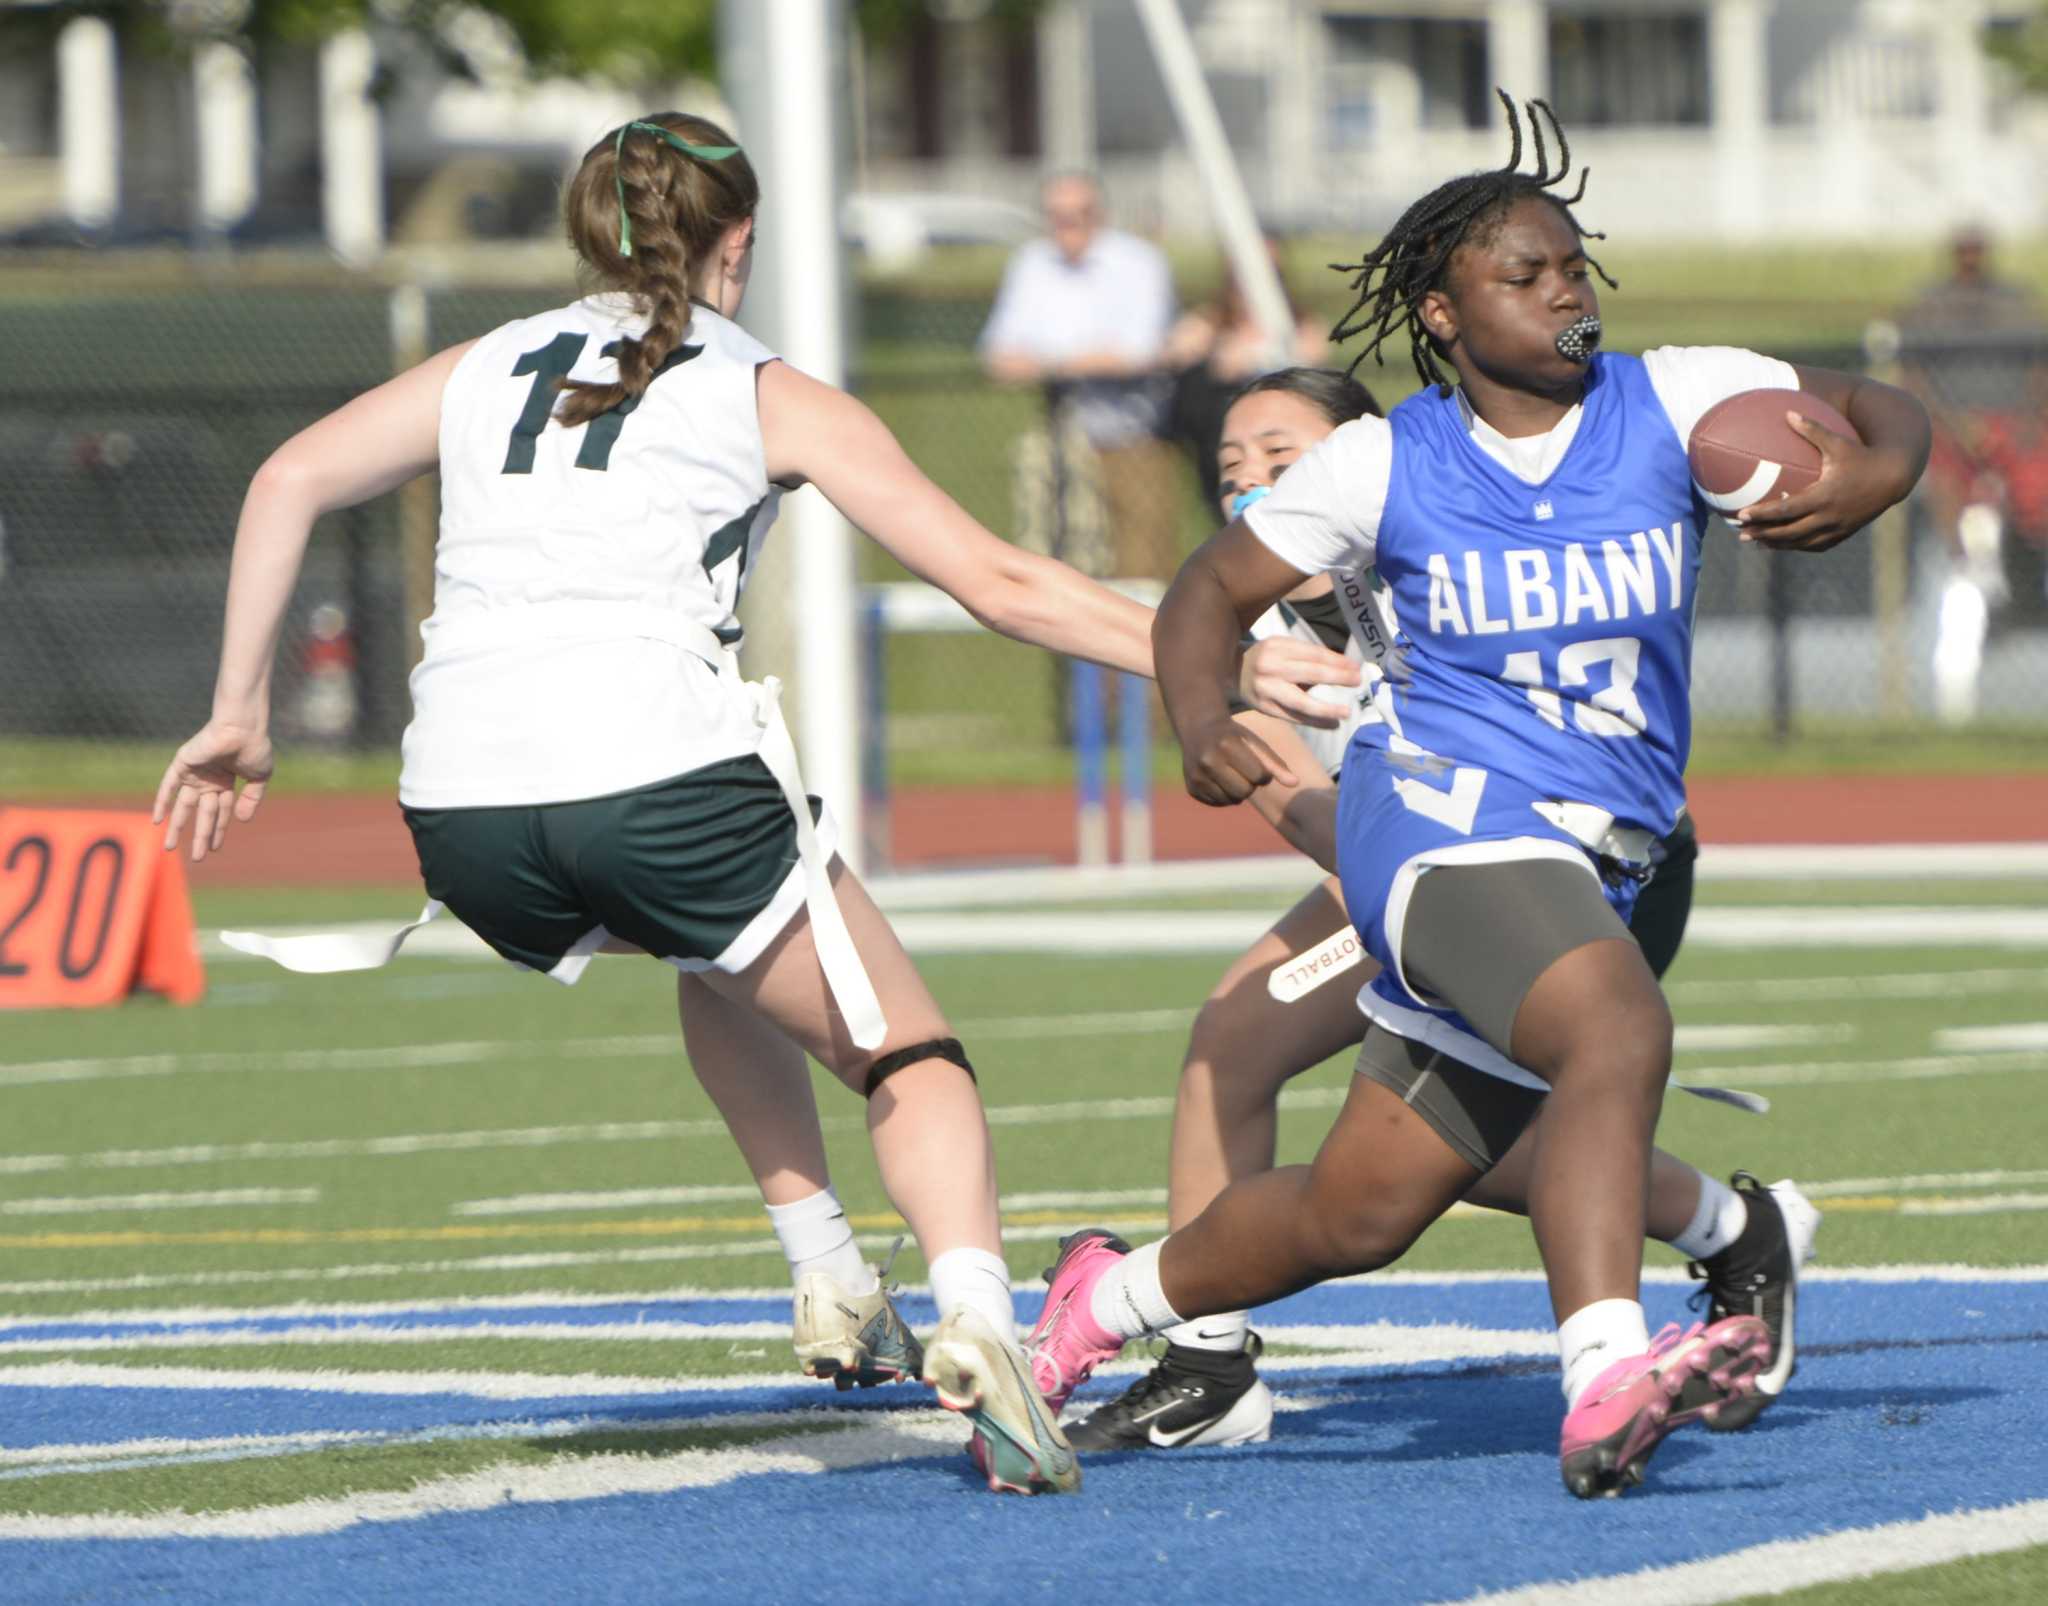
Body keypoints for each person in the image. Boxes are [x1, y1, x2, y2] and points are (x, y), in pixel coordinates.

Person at [149, 113, 1345, 1498]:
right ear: (738, 246)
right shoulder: (766, 388)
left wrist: (240, 708)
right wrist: (1222, 654)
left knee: (715, 956)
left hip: (462, 810)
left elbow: (287, 474)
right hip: (649, 769)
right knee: (916, 1060)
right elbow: (1002, 584)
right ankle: (983, 1327)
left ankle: (830, 1276)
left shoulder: (482, 365)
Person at [1026, 94, 1929, 1498]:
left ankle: (1103, 1299)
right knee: (1617, 1024)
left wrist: (1889, 464)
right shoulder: (1385, 461)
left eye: (1572, 263)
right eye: (1523, 272)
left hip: (1605, 839)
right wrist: (1204, 714)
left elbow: (1880, 400)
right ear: (1442, 314)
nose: (1562, 288)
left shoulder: (1679, 394)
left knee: (1362, 1207)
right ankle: (1604, 1375)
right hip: (1437, 814)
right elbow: (1206, 590)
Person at [1061, 368, 1818, 1455]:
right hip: (1417, 867)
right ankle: (1733, 1227)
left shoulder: (1438, 548)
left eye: (1279, 460)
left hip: (1563, 867)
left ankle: (1203, 1359)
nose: (1251, 489)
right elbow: (1309, 805)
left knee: (1283, 1062)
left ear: (1349, 457)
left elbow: (1384, 800)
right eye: (1229, 472)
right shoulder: (1268, 606)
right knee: (1400, 1140)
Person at [979, 172, 1182, 581]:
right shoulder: (1031, 264)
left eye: (1079, 214)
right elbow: (997, 356)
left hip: (1134, 437)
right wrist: (1084, 359)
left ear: (1100, 214)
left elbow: (1139, 353)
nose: (1068, 225)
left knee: (1141, 571)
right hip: (1057, 438)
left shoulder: (1139, 262)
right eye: (1058, 215)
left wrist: (1047, 362)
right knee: (1054, 567)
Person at [1895, 226, 2048, 723]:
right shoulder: (1930, 307)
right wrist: (1953, 425)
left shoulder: (2014, 304)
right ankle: (1970, 569)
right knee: (1953, 517)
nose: (1971, 260)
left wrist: (2027, 422)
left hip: (2011, 428)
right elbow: (1911, 374)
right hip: (1951, 430)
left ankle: (2020, 572)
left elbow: (2038, 369)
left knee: (2035, 494)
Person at [1164, 239, 1330, 508]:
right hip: (1221, 447)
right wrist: (1216, 353)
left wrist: (1252, 354)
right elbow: (1177, 348)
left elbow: (1312, 352)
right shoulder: (1212, 322)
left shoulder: (1299, 324)